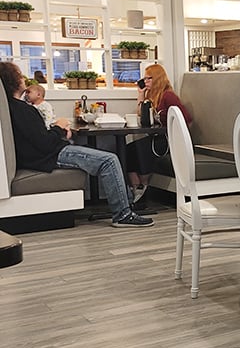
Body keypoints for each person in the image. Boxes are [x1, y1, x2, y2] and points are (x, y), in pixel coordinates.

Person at [0, 62, 152, 228]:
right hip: (47, 157)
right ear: (14, 80)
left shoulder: (11, 107)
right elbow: (44, 144)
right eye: (20, 75)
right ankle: (123, 214)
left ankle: (126, 207)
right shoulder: (23, 110)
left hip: (39, 155)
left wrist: (61, 131)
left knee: (106, 158)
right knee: (109, 160)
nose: (24, 79)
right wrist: (60, 127)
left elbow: (37, 138)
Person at [127, 63, 192, 202]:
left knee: (141, 147)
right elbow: (141, 115)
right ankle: (136, 187)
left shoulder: (168, 96)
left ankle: (144, 186)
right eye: (144, 79)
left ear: (157, 78)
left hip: (169, 139)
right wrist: (141, 95)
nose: (145, 82)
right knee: (129, 149)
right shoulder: (152, 95)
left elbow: (186, 118)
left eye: (148, 78)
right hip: (156, 137)